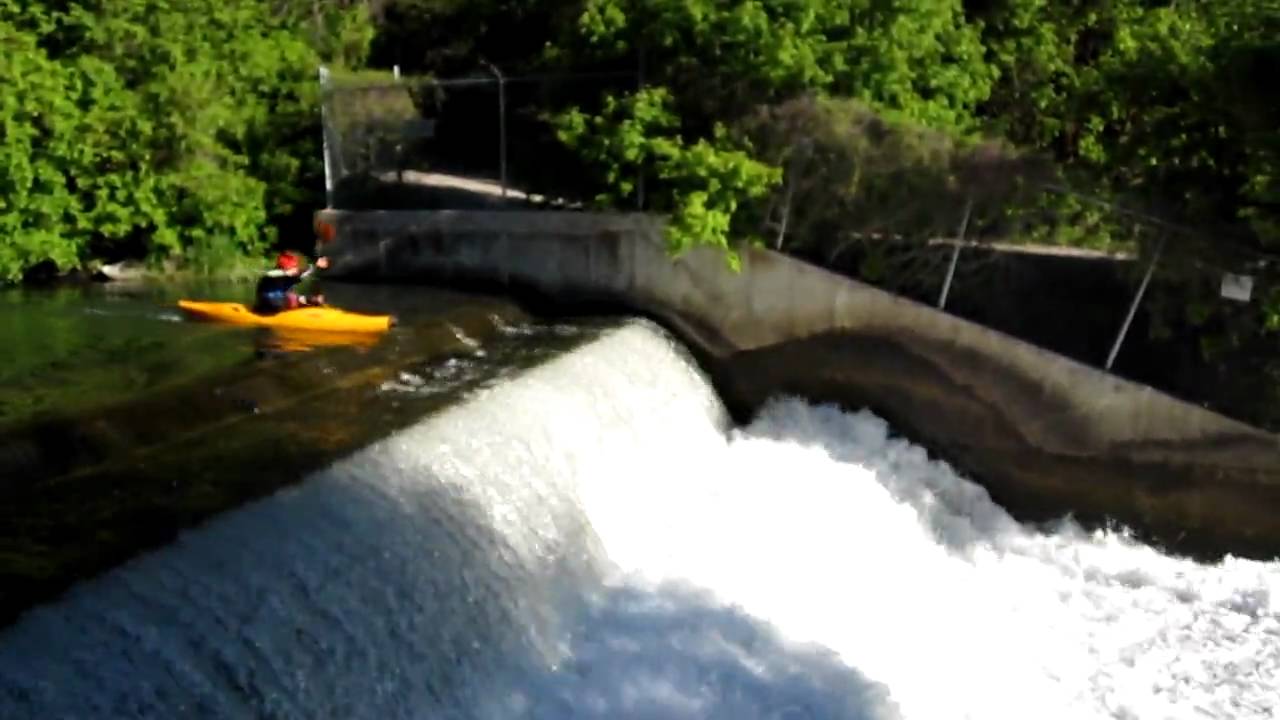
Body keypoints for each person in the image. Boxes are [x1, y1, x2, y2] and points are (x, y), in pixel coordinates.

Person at [253, 251, 330, 314]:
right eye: (293, 267)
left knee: (307, 300)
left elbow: (305, 271)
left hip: (280, 301)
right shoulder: (274, 275)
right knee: (291, 298)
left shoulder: (292, 276)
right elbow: (268, 274)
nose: (295, 270)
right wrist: (285, 273)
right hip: (269, 302)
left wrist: (316, 263)